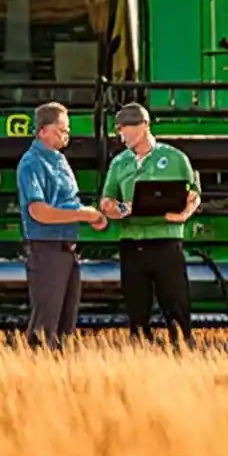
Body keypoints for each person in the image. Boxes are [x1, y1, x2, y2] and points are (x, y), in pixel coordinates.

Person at [99, 102, 200, 347]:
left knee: (175, 300)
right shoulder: (119, 163)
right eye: (119, 130)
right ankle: (140, 345)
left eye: (124, 129)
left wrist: (184, 214)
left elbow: (193, 193)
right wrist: (114, 208)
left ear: (143, 126)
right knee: (137, 303)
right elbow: (106, 198)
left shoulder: (175, 158)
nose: (121, 135)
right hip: (132, 241)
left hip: (166, 239)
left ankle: (183, 344)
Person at [16, 101, 107, 349]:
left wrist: (89, 215)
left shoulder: (59, 160)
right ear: (43, 130)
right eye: (61, 130)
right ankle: (38, 371)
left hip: (66, 248)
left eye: (67, 130)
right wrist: (84, 215)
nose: (66, 135)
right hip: (47, 248)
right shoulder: (31, 163)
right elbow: (39, 211)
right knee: (46, 321)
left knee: (66, 323)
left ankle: (58, 372)